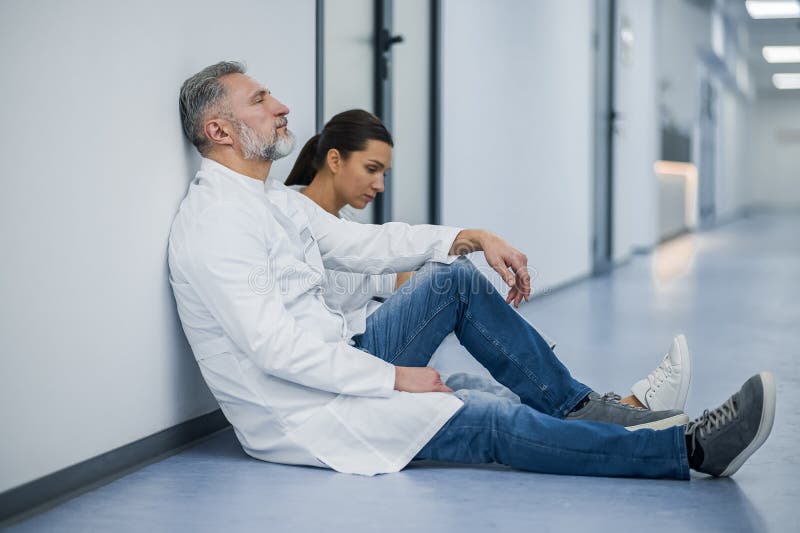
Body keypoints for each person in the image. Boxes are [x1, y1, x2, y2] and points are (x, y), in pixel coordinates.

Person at [169, 61, 776, 480]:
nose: (281, 107)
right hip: (308, 414)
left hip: (347, 356)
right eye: (260, 100)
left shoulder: (274, 201)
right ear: (219, 130)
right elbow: (273, 350)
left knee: (454, 284)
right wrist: (393, 381)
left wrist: (472, 238)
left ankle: (600, 410)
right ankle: (687, 447)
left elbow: (369, 247)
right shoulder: (216, 224)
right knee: (489, 417)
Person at [284, 108, 690, 411]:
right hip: (343, 369)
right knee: (457, 281)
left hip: (364, 351)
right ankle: (606, 409)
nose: (380, 184)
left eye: (385, 173)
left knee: (477, 389)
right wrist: (476, 245)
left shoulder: (344, 224)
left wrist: (495, 319)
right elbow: (371, 247)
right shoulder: (293, 215)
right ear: (335, 160)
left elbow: (400, 278)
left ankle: (618, 410)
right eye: (372, 169)